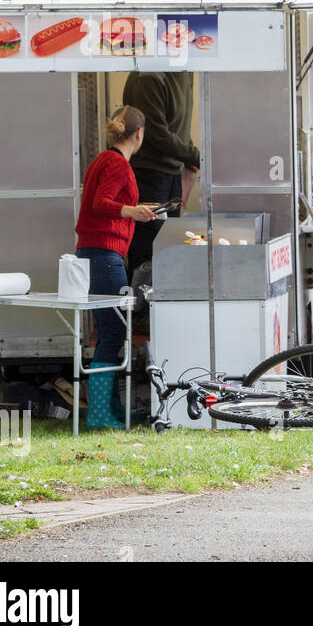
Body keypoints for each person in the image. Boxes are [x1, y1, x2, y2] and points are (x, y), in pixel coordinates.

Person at [75, 106, 156, 429]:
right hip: (104, 255)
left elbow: (101, 201)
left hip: (93, 253)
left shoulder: (103, 159)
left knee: (109, 329)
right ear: (139, 134)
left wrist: (138, 209)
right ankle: (99, 413)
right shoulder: (118, 165)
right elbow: (100, 204)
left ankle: (110, 407)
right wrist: (130, 212)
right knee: (113, 330)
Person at [122, 71, 199, 278]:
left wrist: (189, 156)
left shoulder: (183, 72)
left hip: (171, 173)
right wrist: (196, 156)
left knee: (168, 250)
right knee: (148, 252)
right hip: (149, 174)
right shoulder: (149, 78)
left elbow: (179, 128)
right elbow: (157, 134)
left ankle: (164, 306)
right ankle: (141, 309)